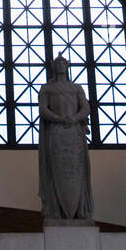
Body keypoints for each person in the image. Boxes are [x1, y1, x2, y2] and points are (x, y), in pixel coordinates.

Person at [37, 53, 94, 223]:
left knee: (77, 170)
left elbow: (86, 107)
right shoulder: (47, 88)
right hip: (57, 133)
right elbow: (43, 109)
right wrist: (59, 118)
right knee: (57, 170)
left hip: (74, 133)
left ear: (67, 66)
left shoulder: (77, 88)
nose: (61, 65)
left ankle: (80, 210)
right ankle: (57, 210)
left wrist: (75, 118)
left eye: (63, 63)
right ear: (54, 67)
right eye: (58, 63)